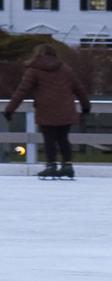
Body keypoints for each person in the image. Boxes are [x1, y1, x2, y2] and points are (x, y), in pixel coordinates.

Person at [4, 45, 92, 181]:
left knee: (49, 139)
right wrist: (86, 106)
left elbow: (22, 91)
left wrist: (10, 109)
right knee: (63, 138)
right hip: (66, 109)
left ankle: (51, 165)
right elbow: (79, 89)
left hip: (46, 109)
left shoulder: (34, 70)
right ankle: (67, 165)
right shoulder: (66, 69)